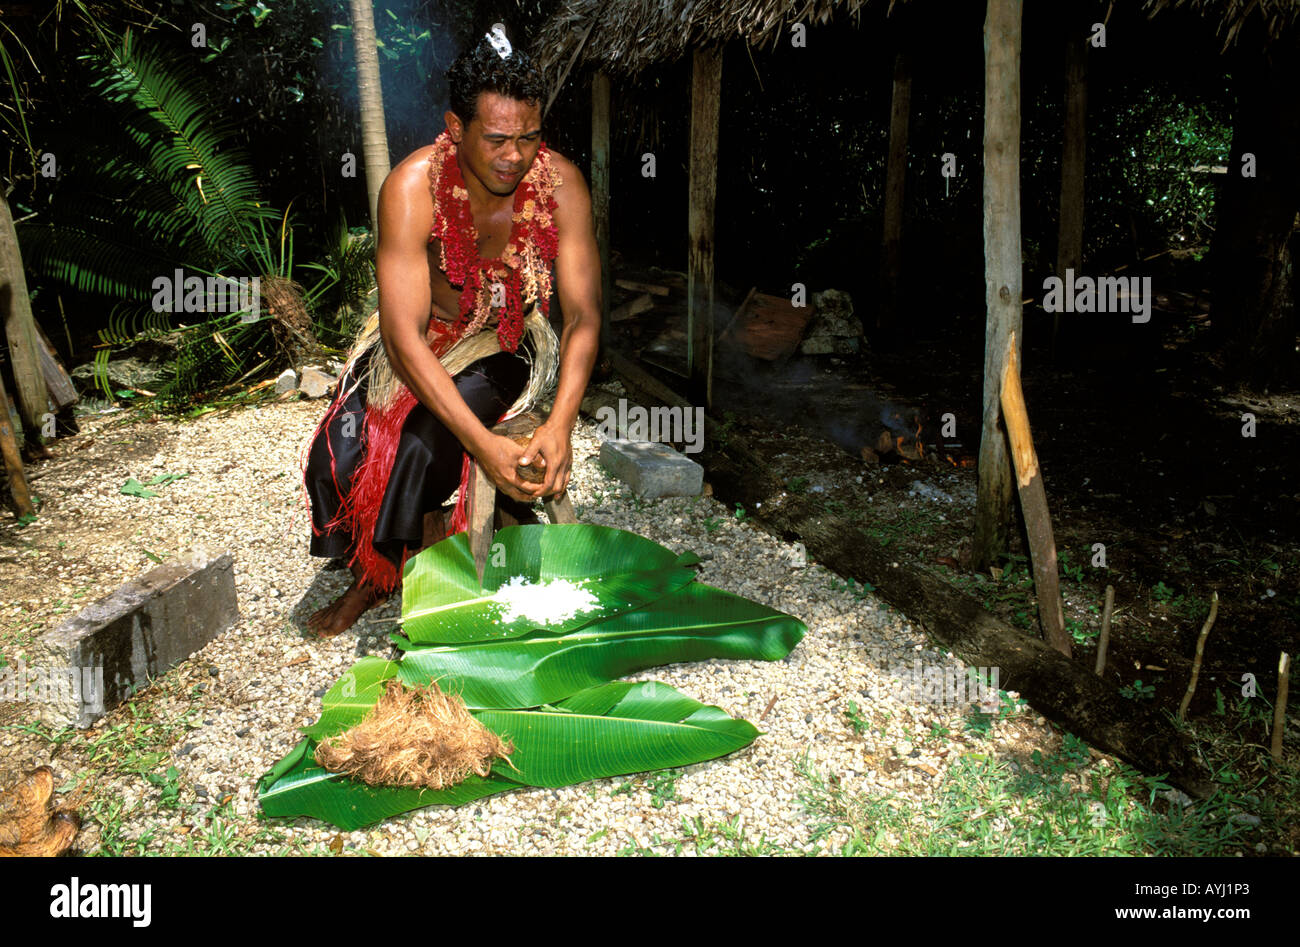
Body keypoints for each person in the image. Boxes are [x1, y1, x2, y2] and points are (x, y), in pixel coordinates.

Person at [302, 28, 601, 638]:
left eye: (528, 138)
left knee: (420, 446)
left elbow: (585, 318)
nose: (514, 156)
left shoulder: (561, 185)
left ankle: (377, 579)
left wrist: (561, 423)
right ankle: (381, 557)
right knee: (336, 452)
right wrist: (485, 447)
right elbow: (403, 336)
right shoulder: (412, 189)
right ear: (455, 127)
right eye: (495, 139)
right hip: (421, 339)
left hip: (505, 339)